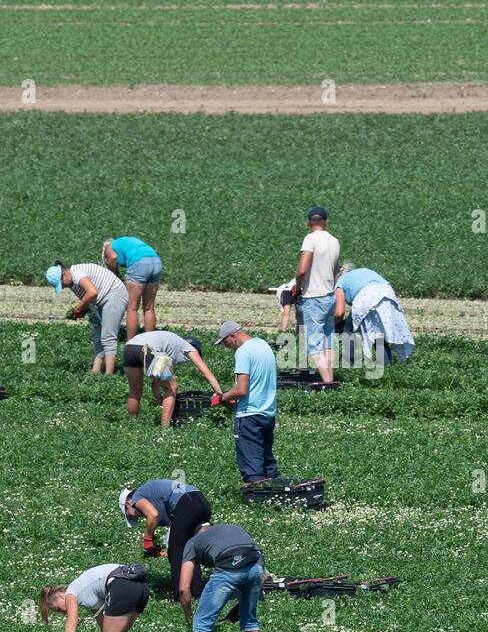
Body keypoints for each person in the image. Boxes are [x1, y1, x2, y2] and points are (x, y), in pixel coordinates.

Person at [178, 523, 269, 632]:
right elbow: (260, 568)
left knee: (202, 622)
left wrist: (188, 616)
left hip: (228, 568)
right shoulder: (231, 528)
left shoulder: (192, 543)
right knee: (250, 621)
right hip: (255, 565)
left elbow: (183, 589)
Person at [119, 478, 213, 599]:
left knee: (177, 553)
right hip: (202, 502)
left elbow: (153, 515)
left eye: (131, 515)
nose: (138, 517)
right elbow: (177, 528)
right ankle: (196, 592)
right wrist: (159, 547)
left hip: (187, 504)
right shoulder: (154, 496)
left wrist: (148, 541)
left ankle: (181, 596)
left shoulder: (137, 496)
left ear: (128, 504)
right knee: (190, 550)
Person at [215, 320, 279, 483]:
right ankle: (277, 497)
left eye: (225, 342)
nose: (225, 346)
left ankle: (258, 499)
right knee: (267, 463)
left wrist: (222, 397)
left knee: (252, 467)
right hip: (268, 413)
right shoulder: (263, 345)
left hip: (249, 416)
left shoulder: (243, 352)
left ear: (233, 336)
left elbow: (241, 390)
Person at [122, 330, 224, 428]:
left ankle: (132, 423)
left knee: (135, 391)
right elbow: (206, 373)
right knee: (171, 389)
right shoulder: (190, 348)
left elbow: (155, 382)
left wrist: (159, 400)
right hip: (148, 349)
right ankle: (165, 430)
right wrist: (220, 394)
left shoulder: (172, 344)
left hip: (129, 348)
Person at [45, 260, 128, 375]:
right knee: (97, 337)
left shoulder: (76, 274)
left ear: (64, 274)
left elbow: (93, 292)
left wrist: (78, 308)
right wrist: (82, 311)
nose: (63, 287)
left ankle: (109, 376)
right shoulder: (71, 282)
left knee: (108, 336)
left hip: (114, 294)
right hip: (101, 300)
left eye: (62, 284)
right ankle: (95, 371)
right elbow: (88, 299)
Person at [291, 206, 341, 383]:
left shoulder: (310, 239)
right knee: (328, 343)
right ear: (326, 222)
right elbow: (336, 271)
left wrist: (298, 285)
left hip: (313, 297)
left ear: (308, 222)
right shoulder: (334, 241)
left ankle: (328, 384)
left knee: (313, 346)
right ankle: (330, 378)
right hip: (330, 296)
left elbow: (302, 269)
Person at [333, 262, 415, 365]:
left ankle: (351, 361)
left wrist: (332, 325)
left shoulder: (340, 283)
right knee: (378, 334)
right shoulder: (361, 272)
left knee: (349, 329)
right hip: (388, 294)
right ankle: (386, 365)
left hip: (367, 296)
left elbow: (339, 313)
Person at [102, 236, 162, 340]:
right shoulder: (125, 242)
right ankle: (151, 342)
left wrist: (114, 274)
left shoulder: (108, 248)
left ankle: (132, 342)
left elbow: (112, 257)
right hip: (156, 261)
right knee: (149, 308)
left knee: (132, 307)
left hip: (139, 263)